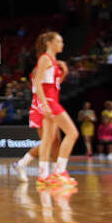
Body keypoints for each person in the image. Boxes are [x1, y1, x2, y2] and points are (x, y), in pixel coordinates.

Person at [33, 32, 78, 190]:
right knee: (72, 133)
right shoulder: (45, 58)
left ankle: (43, 175)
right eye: (59, 41)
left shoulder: (51, 60)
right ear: (50, 43)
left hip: (51, 101)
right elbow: (37, 83)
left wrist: (63, 72)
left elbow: (51, 84)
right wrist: (44, 104)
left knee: (48, 140)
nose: (62, 44)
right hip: (50, 103)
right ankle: (59, 171)